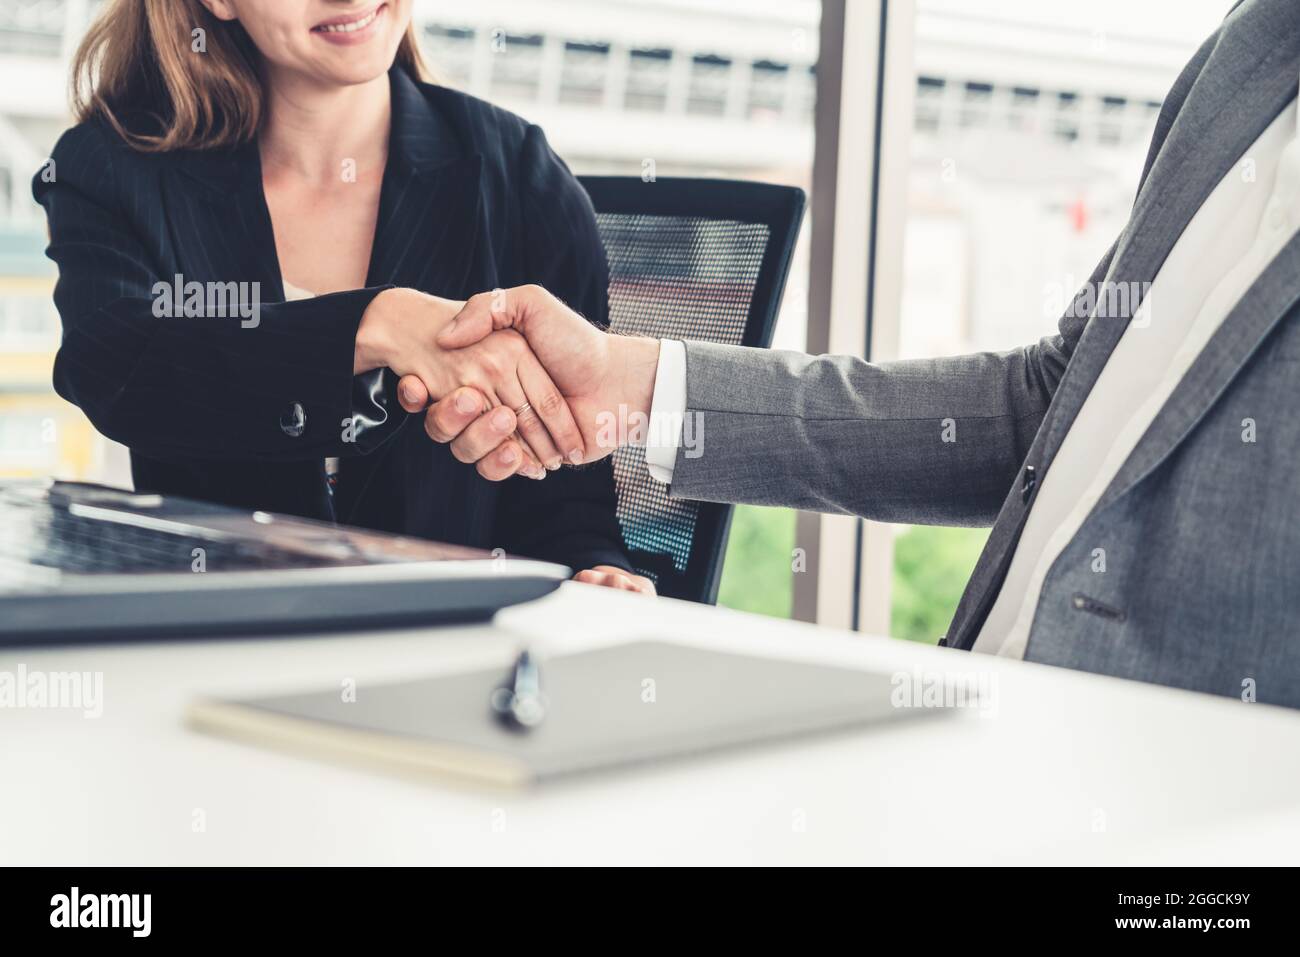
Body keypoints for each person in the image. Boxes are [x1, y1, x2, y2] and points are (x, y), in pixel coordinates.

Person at [404, 0, 1300, 705]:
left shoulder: (506, 172)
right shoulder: (1256, 44)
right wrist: (631, 385)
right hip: (982, 696)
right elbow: (1050, 406)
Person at [33, 0, 652, 593]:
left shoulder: (520, 176)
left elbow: (568, 503)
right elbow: (116, 364)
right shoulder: (116, 166)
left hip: (443, 637)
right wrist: (376, 324)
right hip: (214, 627)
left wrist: (596, 569)